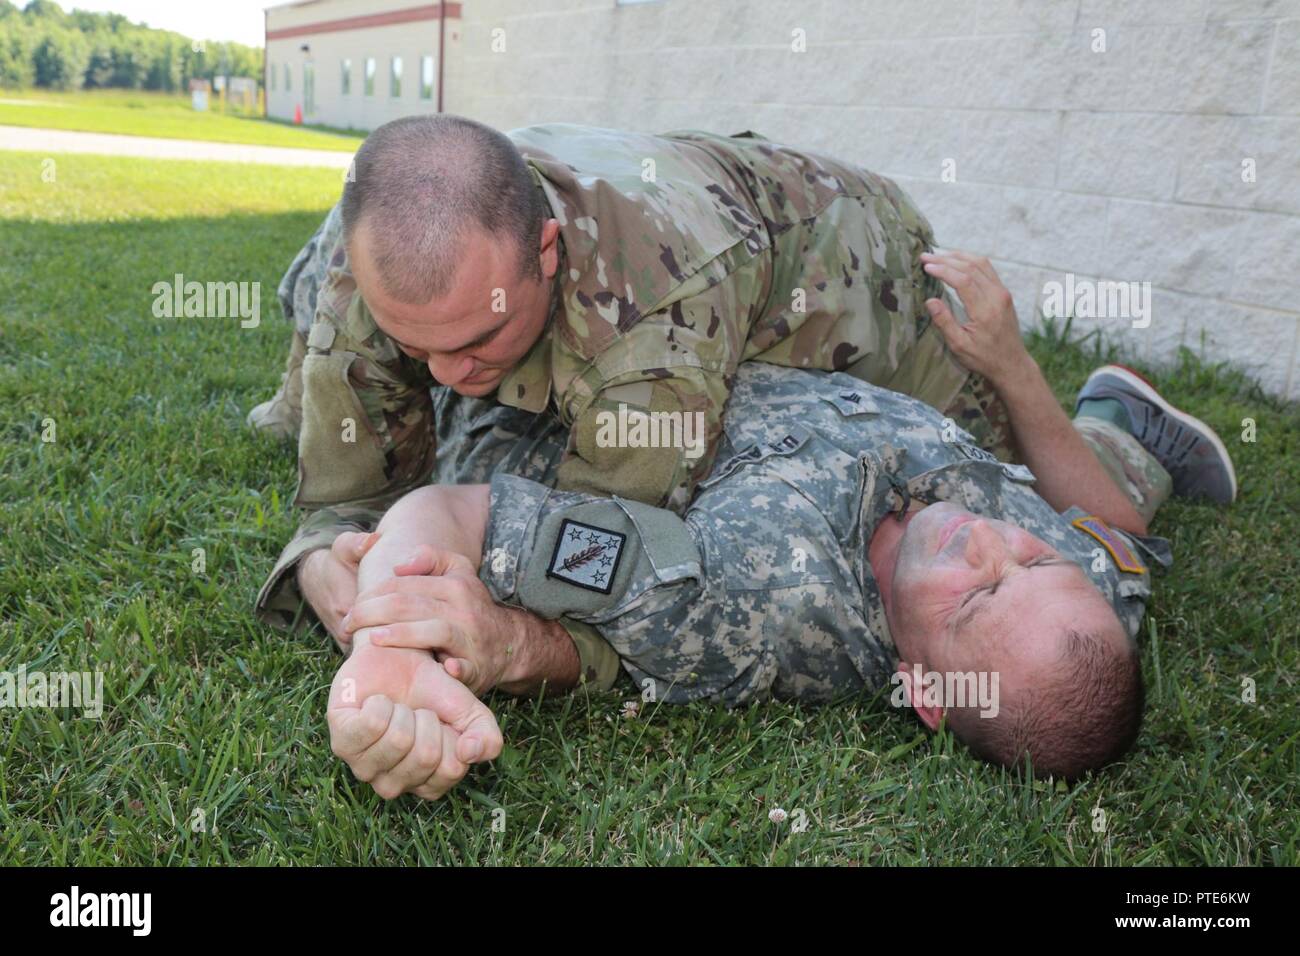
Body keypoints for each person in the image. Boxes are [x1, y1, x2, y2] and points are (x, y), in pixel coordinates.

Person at [321, 255, 1237, 797]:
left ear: (920, 692)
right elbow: (1115, 531)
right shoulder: (1076, 617)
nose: (992, 541)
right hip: (739, 337)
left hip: (548, 380)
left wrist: (387, 635)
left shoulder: (760, 597)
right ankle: (1119, 417)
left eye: (977, 596)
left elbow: (452, 515)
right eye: (1033, 557)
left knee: (369, 279)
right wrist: (1012, 366)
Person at [248, 115, 1024, 688]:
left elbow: (611, 578)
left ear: (546, 255)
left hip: (861, 261)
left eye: (477, 339)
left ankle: (1121, 424)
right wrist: (323, 558)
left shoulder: (652, 331)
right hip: (686, 185)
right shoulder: (376, 277)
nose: (448, 378)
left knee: (1007, 474)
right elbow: (347, 502)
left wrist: (501, 640)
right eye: (418, 348)